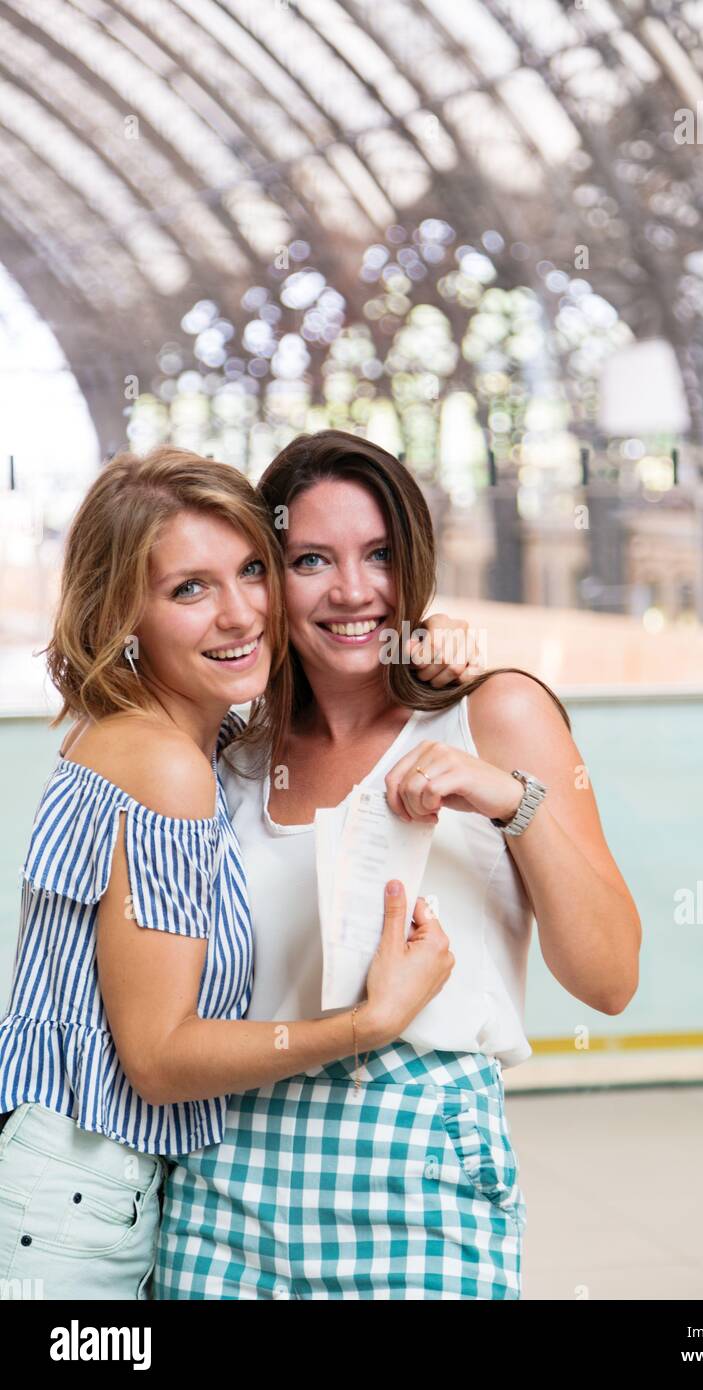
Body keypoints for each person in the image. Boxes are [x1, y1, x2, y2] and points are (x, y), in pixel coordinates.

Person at [154, 430, 642, 1300]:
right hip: (224, 1183)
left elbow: (608, 978)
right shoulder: (230, 750)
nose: (352, 591)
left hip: (421, 1181)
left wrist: (507, 798)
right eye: (309, 560)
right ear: (267, 575)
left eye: (380, 555)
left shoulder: (495, 713)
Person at [0, 445, 473, 1300]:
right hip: (71, 1204)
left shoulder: (148, 737)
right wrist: (371, 1023)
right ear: (122, 617)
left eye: (254, 570)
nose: (240, 613)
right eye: (189, 588)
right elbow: (158, 1056)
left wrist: (410, 646)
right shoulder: (168, 771)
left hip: (64, 1178)